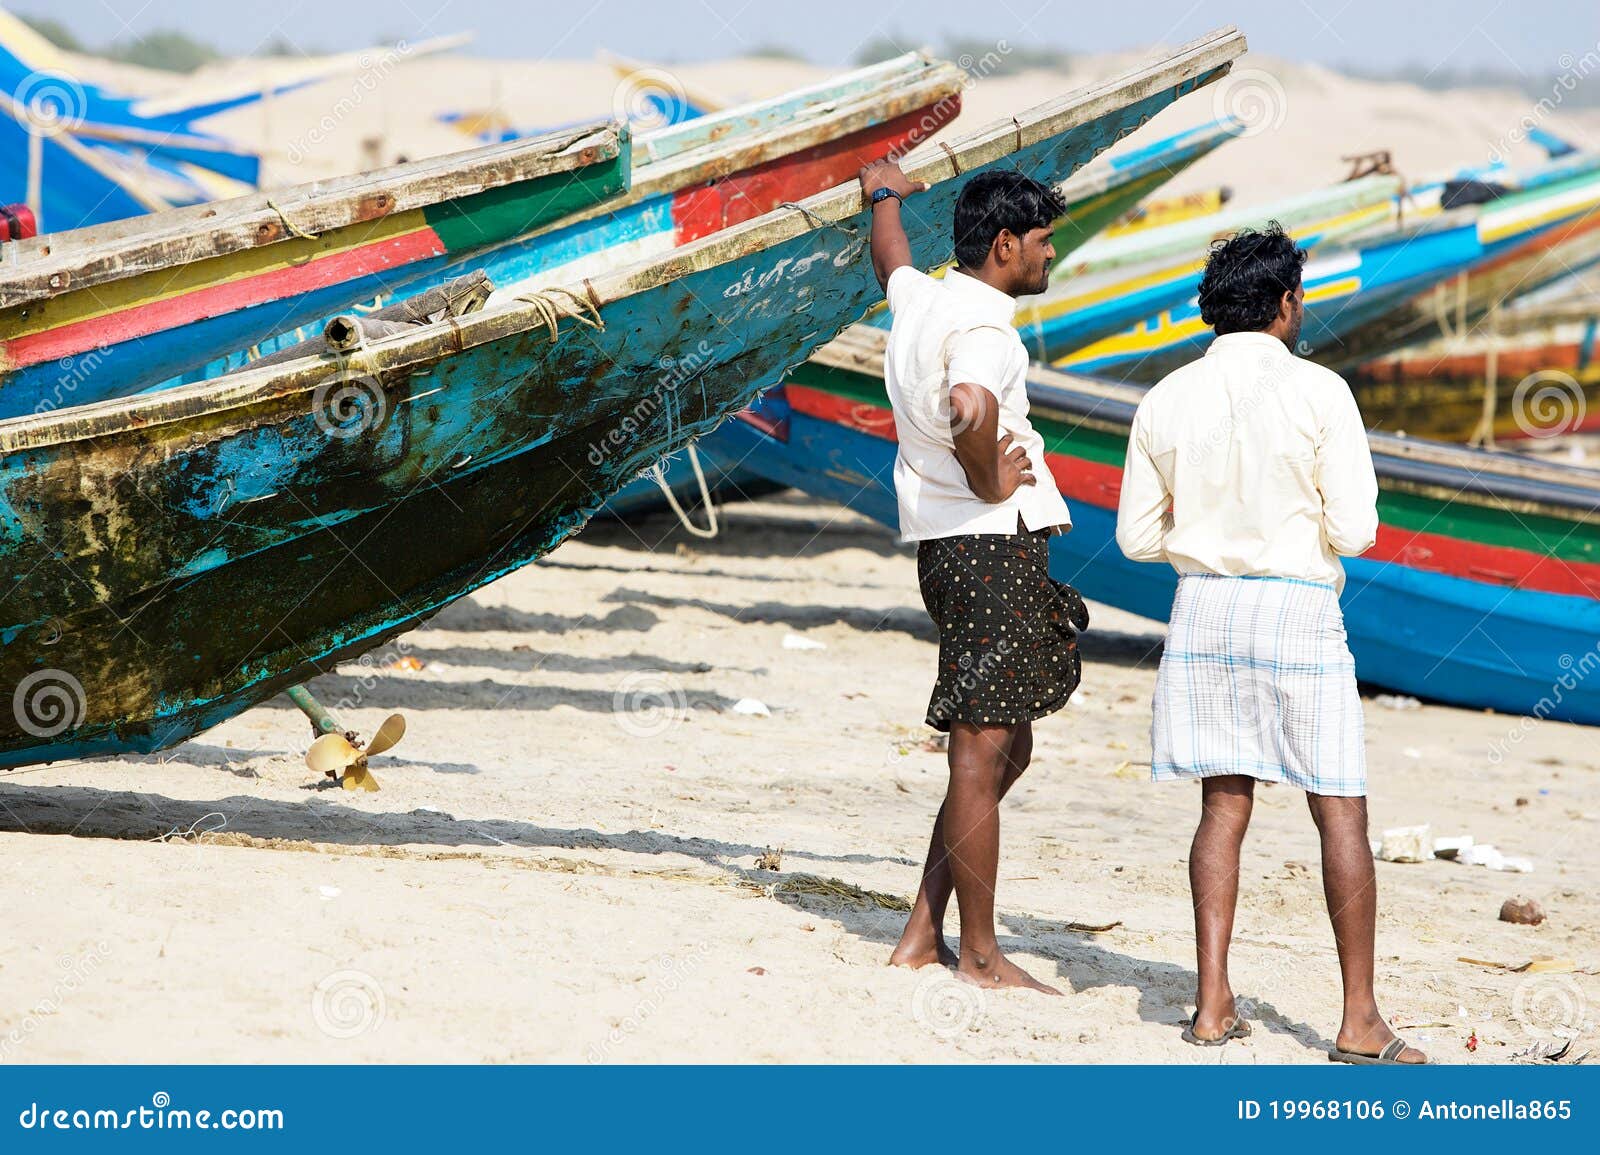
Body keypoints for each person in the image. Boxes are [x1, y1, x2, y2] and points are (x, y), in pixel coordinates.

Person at [1115, 223, 1427, 1063]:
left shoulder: (1166, 396)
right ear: (1288, 303)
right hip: (1294, 608)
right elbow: (1357, 530)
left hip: (1205, 609)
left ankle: (1212, 1003)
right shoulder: (1322, 393)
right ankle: (1358, 1018)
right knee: (1339, 807)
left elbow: (1138, 539)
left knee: (1223, 806)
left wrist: (1210, 524)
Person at [859, 158, 1088, 994]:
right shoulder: (988, 329)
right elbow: (970, 406)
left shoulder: (924, 297)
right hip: (990, 542)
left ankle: (924, 930)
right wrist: (991, 477)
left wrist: (883, 194)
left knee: (1001, 745)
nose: (1049, 255)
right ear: (1002, 245)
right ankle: (983, 955)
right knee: (980, 749)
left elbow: (889, 256)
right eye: (1041, 242)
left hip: (951, 548)